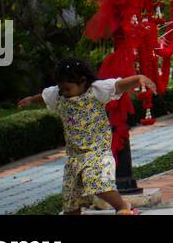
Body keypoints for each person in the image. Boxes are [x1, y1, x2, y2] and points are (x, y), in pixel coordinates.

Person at [17, 58, 157, 215]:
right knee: (71, 201)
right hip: (74, 156)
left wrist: (138, 79)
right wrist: (30, 100)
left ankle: (123, 207)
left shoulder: (96, 90)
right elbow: (44, 97)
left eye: (68, 89)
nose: (64, 93)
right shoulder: (58, 94)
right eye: (61, 89)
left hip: (97, 151)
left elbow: (119, 85)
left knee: (97, 183)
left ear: (83, 81)